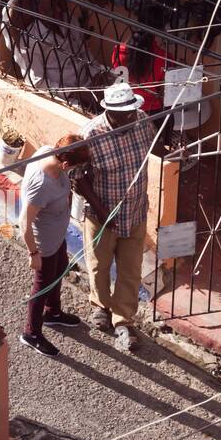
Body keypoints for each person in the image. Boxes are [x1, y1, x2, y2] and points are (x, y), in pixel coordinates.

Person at [72, 81, 160, 352]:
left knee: (130, 270)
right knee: (99, 265)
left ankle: (123, 320)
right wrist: (102, 211)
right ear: (109, 112)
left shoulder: (142, 121)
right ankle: (100, 306)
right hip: (102, 216)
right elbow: (78, 179)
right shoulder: (90, 134)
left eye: (132, 112)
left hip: (134, 212)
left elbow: (155, 147)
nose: (129, 118)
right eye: (123, 115)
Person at [18, 135, 90, 357]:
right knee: (43, 286)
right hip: (45, 244)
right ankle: (31, 333)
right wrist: (34, 253)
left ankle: (53, 313)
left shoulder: (49, 150)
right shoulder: (42, 185)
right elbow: (24, 222)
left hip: (57, 237)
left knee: (59, 271)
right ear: (66, 164)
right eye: (75, 167)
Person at [9, 0, 107, 110]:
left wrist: (96, 74)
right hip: (69, 96)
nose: (59, 9)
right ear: (40, 12)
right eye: (52, 8)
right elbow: (37, 82)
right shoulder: (30, 41)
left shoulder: (68, 20)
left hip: (90, 83)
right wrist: (77, 93)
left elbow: (83, 50)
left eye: (57, 5)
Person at [110, 29, 167, 114]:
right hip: (152, 109)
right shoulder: (163, 57)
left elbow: (118, 74)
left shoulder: (117, 51)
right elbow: (163, 89)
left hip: (125, 104)